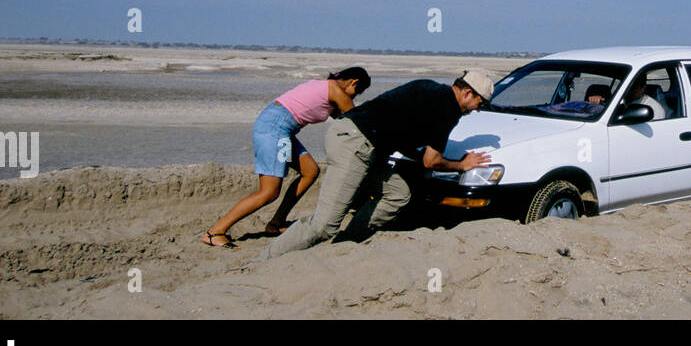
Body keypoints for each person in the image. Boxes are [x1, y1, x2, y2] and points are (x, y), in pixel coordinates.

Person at [259, 69, 494, 260]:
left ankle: (344, 244)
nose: (478, 110)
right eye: (480, 104)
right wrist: (462, 165)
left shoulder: (426, 86)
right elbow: (431, 161)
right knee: (324, 225)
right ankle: (264, 261)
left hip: (354, 138)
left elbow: (401, 128)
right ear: (467, 94)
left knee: (398, 193)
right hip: (355, 144)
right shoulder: (448, 109)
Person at [201, 68, 370, 249]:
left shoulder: (325, 87)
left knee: (310, 171)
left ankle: (276, 223)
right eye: (358, 92)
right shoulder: (335, 89)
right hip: (275, 128)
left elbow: (341, 116)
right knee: (269, 192)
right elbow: (356, 120)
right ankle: (215, 232)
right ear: (353, 82)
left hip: (279, 127)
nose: (355, 97)